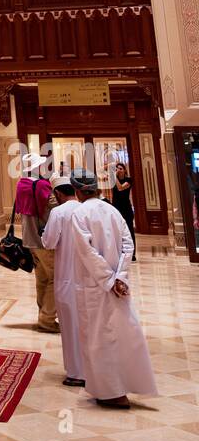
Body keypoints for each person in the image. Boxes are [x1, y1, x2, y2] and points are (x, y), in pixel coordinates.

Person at [69, 170, 158, 408]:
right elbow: (128, 245)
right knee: (120, 333)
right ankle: (117, 387)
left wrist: (109, 279)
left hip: (95, 286)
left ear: (77, 191)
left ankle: (110, 393)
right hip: (117, 284)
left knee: (99, 338)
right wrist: (120, 276)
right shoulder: (113, 210)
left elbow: (86, 251)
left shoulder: (79, 214)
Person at [41, 181, 84, 386]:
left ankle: (76, 373)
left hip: (67, 275)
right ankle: (94, 369)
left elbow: (49, 242)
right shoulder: (87, 209)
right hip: (89, 277)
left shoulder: (58, 213)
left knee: (70, 326)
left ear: (58, 193)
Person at [15, 154, 57, 333]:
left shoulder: (21, 185)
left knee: (41, 279)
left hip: (29, 240)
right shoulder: (42, 186)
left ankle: (42, 313)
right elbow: (54, 209)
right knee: (56, 279)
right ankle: (47, 319)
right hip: (44, 240)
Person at [111, 162, 137, 260]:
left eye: (121, 168)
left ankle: (133, 254)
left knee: (129, 231)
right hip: (116, 209)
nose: (118, 170)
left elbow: (120, 188)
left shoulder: (129, 180)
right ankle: (120, 252)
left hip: (126, 209)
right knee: (117, 232)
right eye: (117, 168)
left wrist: (114, 176)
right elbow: (100, 170)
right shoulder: (114, 180)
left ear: (125, 170)